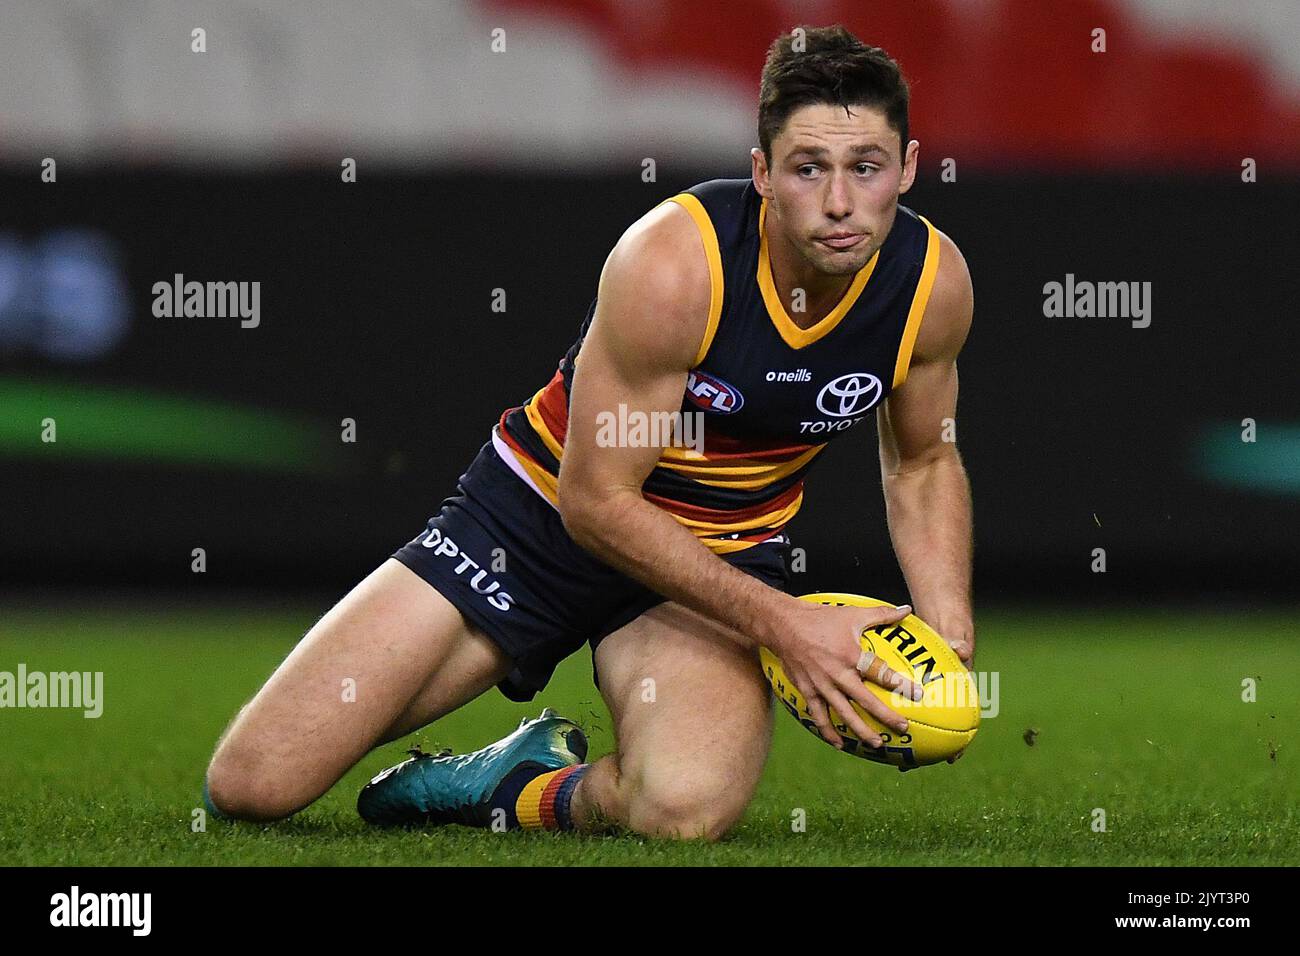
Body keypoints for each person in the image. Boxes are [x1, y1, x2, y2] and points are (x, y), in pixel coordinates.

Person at [204, 24, 975, 842]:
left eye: (866, 168)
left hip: (715, 561)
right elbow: (597, 502)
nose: (839, 203)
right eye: (807, 168)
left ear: (909, 168)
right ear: (762, 174)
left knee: (683, 809)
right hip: (534, 525)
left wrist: (946, 628)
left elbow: (924, 462)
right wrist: (788, 627)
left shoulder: (932, 286)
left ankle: (511, 781)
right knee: (255, 783)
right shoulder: (675, 266)